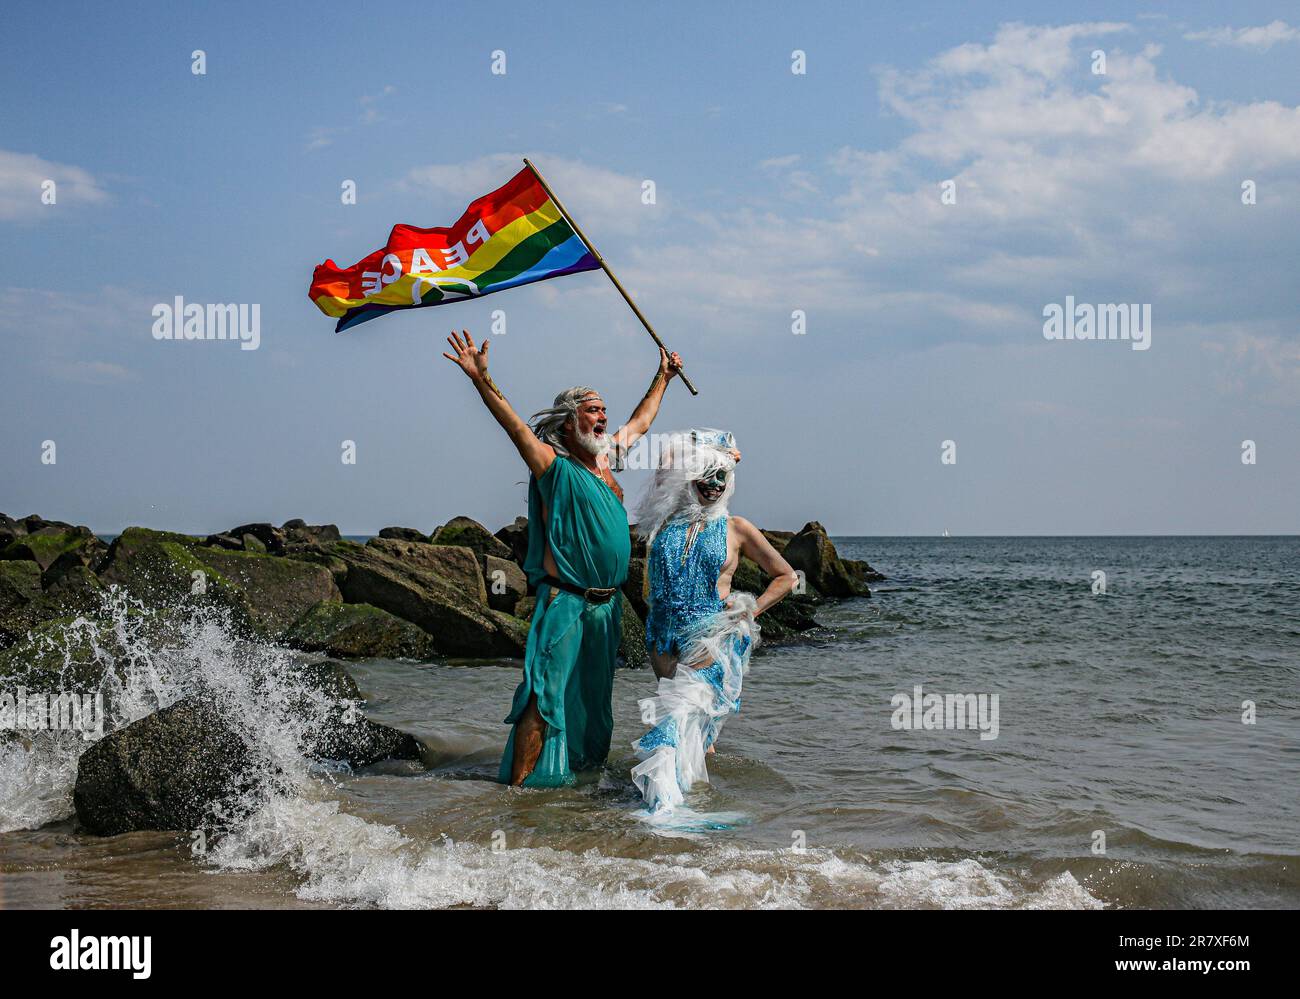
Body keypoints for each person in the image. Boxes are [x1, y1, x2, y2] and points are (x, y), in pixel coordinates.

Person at [442, 329, 683, 786]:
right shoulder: (553, 465)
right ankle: (515, 794)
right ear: (569, 421)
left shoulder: (607, 460)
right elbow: (514, 426)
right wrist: (480, 379)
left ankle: (580, 788)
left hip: (608, 607)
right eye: (593, 410)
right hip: (566, 602)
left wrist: (664, 376)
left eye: (604, 411)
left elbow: (642, 422)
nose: (603, 418)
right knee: (544, 697)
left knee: (595, 704)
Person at [630, 429, 797, 813]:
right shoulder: (666, 518)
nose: (714, 484)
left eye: (721, 476)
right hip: (662, 637)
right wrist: (711, 448)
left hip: (710, 638)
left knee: (674, 722)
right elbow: (666, 458)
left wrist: (748, 612)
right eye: (706, 474)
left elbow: (786, 576)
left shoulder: (736, 528)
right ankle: (699, 801)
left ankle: (663, 810)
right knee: (696, 732)